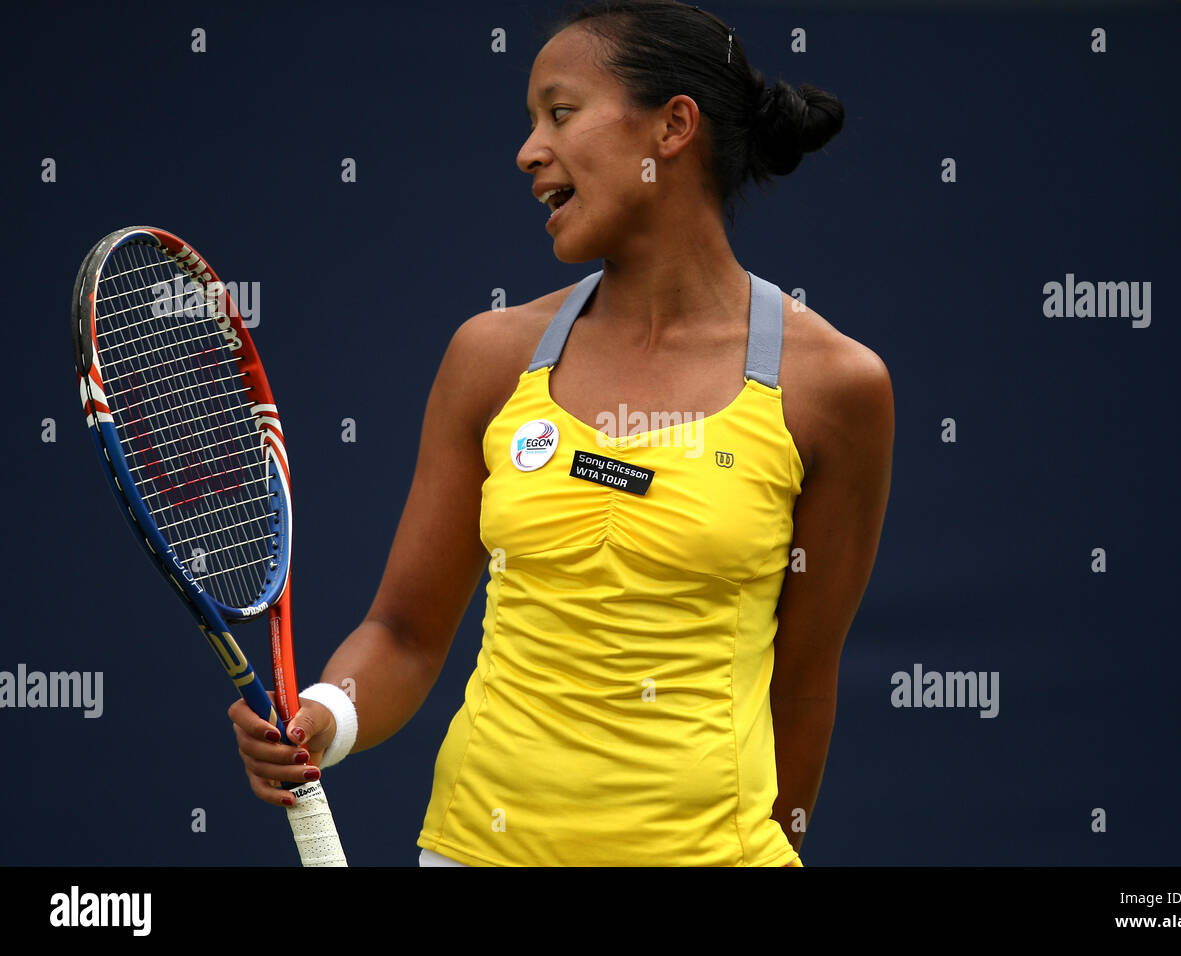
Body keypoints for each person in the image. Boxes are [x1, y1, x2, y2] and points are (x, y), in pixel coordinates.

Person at [228, 0, 893, 867]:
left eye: (562, 111)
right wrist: (326, 714)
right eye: (531, 120)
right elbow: (404, 632)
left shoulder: (835, 387)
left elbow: (803, 684)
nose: (528, 150)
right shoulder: (490, 356)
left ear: (673, 127)